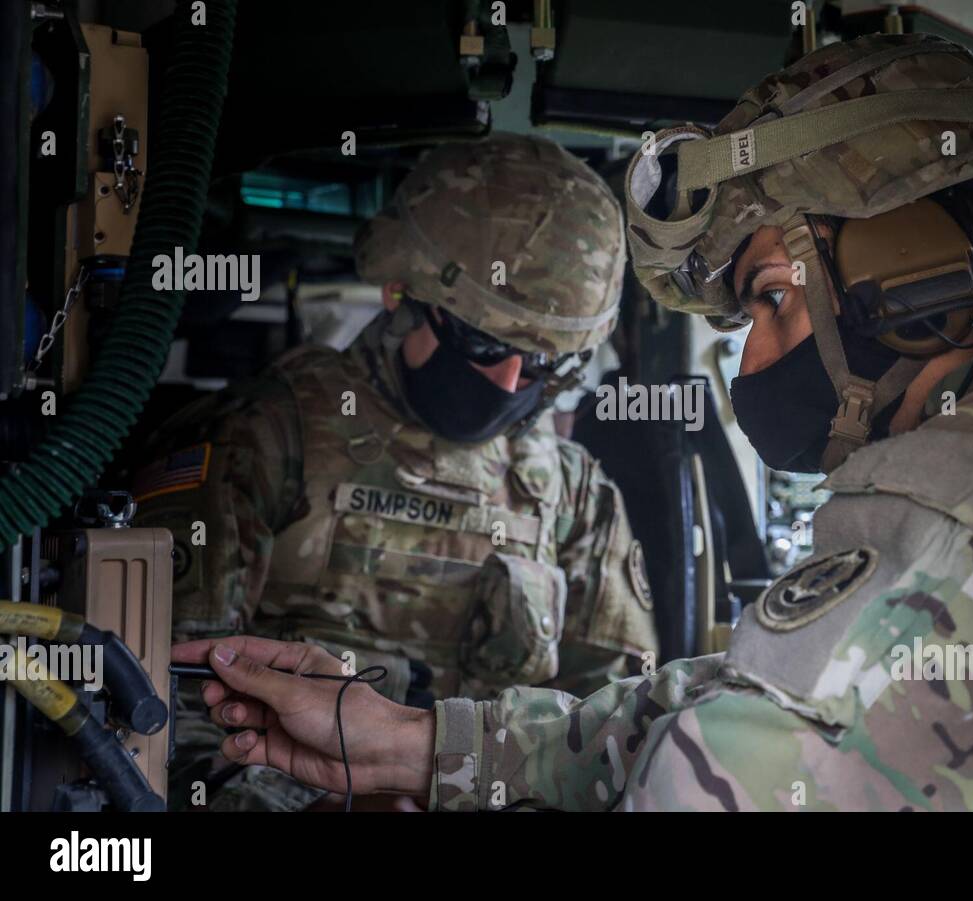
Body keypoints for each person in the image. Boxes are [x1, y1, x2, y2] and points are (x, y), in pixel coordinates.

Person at [174, 34, 973, 811]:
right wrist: (421, 747)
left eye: (765, 298)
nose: (753, 359)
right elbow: (725, 711)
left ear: (896, 263)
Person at [137, 133, 658, 811]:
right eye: (484, 342)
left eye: (541, 363)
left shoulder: (576, 495)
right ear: (403, 292)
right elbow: (159, 716)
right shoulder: (262, 434)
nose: (506, 381)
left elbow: (618, 741)